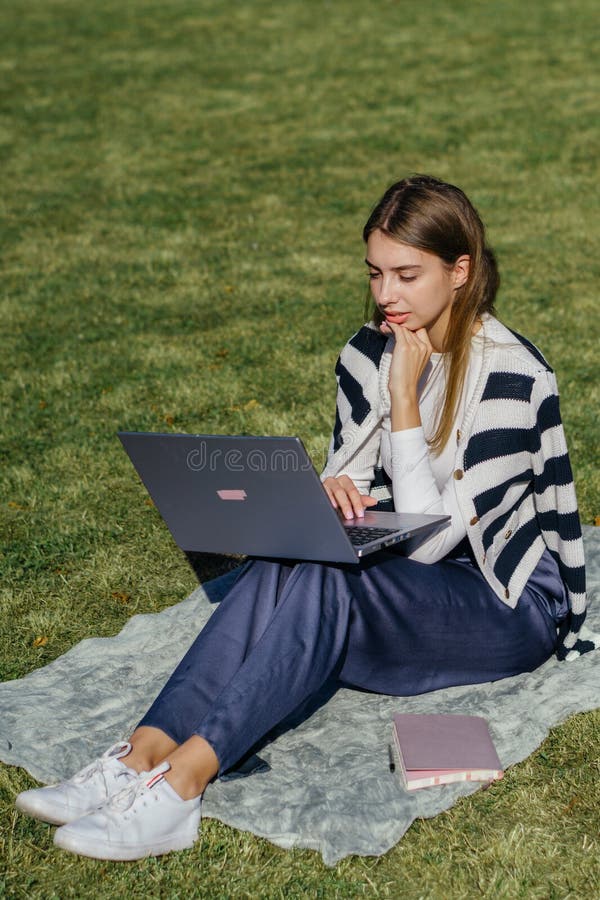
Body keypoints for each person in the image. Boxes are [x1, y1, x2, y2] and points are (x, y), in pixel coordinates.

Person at [15, 175, 597, 861]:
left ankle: (184, 784)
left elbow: (431, 546)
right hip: (413, 577)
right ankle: (141, 754)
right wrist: (329, 492)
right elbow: (351, 473)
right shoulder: (366, 353)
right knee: (297, 552)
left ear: (460, 270)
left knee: (329, 577)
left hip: (502, 601)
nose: (386, 295)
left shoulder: (513, 376)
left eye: (408, 275)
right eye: (376, 273)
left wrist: (405, 401)